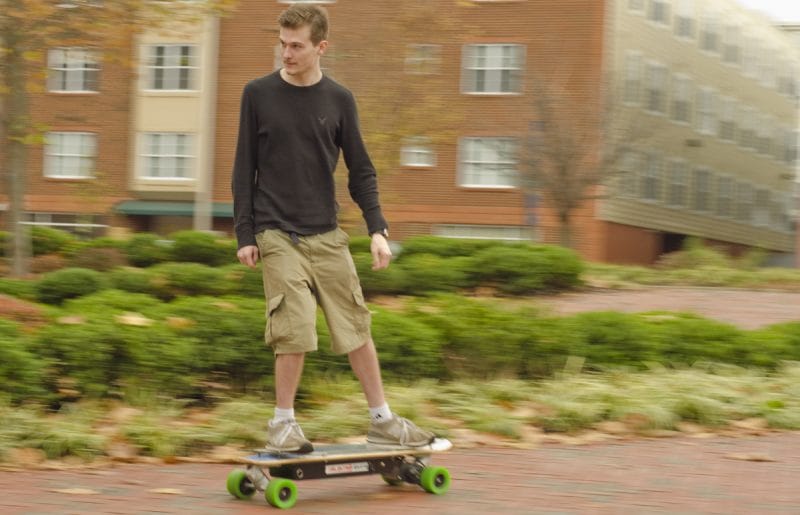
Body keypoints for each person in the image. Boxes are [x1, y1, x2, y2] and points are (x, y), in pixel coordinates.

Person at [231, 4, 435, 453]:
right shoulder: (258, 94)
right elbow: (243, 168)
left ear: (321, 47)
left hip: (326, 232)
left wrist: (377, 228)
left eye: (296, 46)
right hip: (275, 231)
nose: (286, 53)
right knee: (295, 325)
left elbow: (361, 170)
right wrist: (245, 234)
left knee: (355, 324)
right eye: (282, 44)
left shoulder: (339, 99)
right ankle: (283, 424)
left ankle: (382, 420)